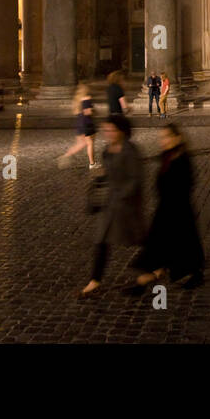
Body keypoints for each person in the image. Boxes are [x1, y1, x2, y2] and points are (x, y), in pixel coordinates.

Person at [129, 123, 205, 292]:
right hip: (165, 207)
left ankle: (193, 273)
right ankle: (150, 276)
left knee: (181, 243)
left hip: (178, 209)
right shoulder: (167, 156)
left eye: (166, 137)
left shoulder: (183, 159)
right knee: (164, 243)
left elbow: (187, 184)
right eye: (161, 137)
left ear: (177, 138)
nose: (162, 141)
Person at [81, 114, 146, 296]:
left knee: (139, 239)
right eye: (106, 130)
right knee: (101, 241)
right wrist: (99, 180)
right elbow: (108, 173)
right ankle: (95, 280)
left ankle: (156, 266)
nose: (107, 133)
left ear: (122, 131)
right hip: (110, 205)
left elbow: (136, 179)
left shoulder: (130, 151)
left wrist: (123, 194)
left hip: (127, 207)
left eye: (111, 129)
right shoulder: (106, 150)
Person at [59, 83, 99, 169]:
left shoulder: (77, 99)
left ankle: (66, 155)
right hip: (87, 123)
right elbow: (87, 112)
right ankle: (92, 164)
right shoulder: (87, 98)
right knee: (90, 143)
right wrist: (94, 110)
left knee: (80, 144)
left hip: (80, 123)